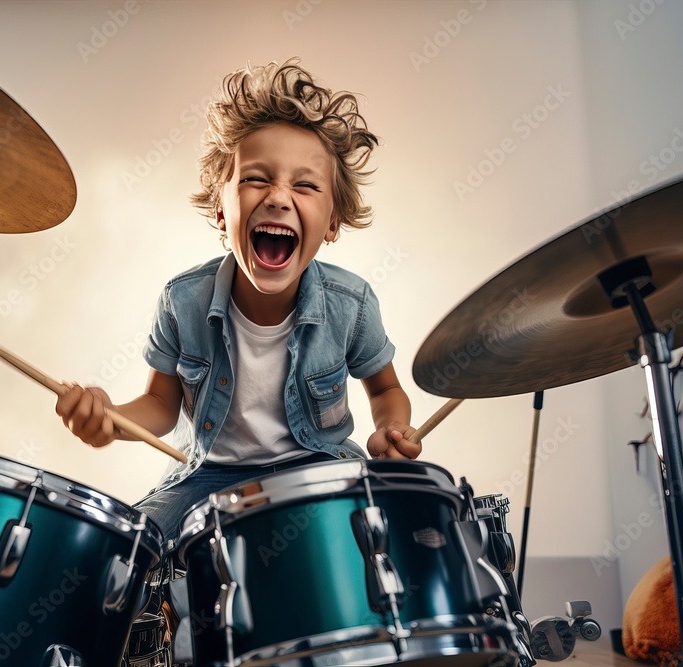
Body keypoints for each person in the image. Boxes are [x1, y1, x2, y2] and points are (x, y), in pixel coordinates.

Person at [55, 58, 421, 545]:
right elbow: (161, 406)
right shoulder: (181, 300)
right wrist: (110, 420)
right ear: (219, 208)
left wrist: (392, 428)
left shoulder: (350, 304)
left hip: (317, 463)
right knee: (129, 548)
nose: (277, 197)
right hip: (209, 477)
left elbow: (384, 390)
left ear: (333, 222)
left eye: (306, 185)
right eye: (255, 178)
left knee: (395, 531)